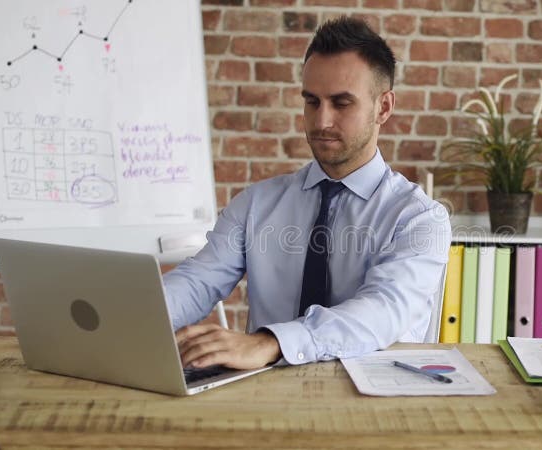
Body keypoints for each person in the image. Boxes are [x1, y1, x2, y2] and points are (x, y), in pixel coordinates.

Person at [165, 16, 451, 370]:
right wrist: (139, 316)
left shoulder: (418, 217)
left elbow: (383, 309)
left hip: (375, 407)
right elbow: (197, 281)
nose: (321, 121)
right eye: (312, 101)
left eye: (341, 103)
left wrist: (271, 342)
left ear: (384, 107)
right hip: (268, 402)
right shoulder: (257, 204)